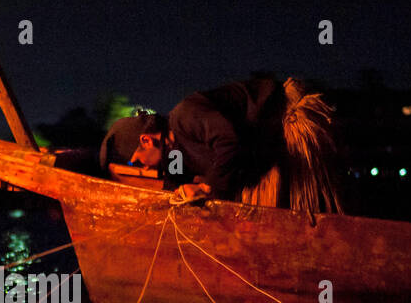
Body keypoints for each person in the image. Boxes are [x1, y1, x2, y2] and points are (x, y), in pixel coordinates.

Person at [98, 76, 343, 213]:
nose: (146, 168)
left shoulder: (184, 116)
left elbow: (229, 141)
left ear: (146, 139)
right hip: (260, 158)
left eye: (138, 162)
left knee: (313, 208)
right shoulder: (176, 155)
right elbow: (179, 180)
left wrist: (206, 187)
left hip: (280, 124)